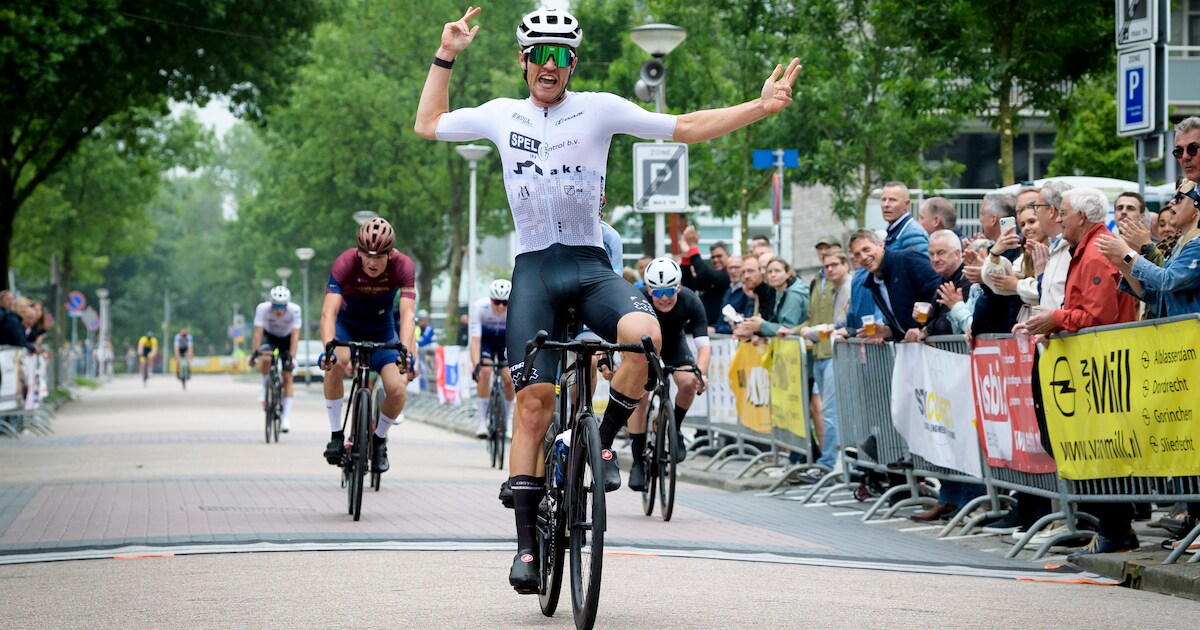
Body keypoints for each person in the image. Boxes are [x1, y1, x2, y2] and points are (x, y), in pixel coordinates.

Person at [414, 6, 801, 592]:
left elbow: (687, 126)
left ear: (573, 63)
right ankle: (525, 548)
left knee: (644, 338)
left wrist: (760, 106)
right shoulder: (501, 115)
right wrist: (446, 55)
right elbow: (428, 123)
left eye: (561, 55)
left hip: (593, 268)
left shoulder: (599, 108)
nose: (550, 65)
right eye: (539, 55)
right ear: (523, 62)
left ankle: (602, 441)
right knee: (533, 404)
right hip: (535, 272)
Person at [1015, 188, 1139, 558]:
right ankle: (1112, 529)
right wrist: (1056, 320)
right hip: (1087, 363)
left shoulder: (1098, 251)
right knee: (1080, 445)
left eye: (1064, 212)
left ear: (1081, 217)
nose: (1060, 218)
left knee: (1096, 447)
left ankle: (1116, 529)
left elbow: (1098, 316)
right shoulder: (1083, 250)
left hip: (1099, 365)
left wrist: (1055, 319)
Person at [318, 218, 417, 477]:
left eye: (380, 256)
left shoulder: (403, 266)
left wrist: (405, 352)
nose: (372, 262)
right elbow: (329, 312)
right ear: (358, 251)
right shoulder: (345, 263)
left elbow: (407, 316)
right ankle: (337, 435)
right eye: (367, 255)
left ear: (391, 253)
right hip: (347, 327)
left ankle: (380, 440)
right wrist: (329, 347)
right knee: (336, 363)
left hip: (382, 328)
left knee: (397, 388)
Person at [625, 258, 710, 490]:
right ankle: (636, 461)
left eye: (670, 291)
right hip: (644, 346)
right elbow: (621, 336)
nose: (664, 298)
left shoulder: (691, 300)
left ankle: (676, 428)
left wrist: (700, 373)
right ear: (648, 289)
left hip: (674, 343)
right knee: (639, 399)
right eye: (658, 292)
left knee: (687, 382)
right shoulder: (636, 297)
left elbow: (704, 346)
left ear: (679, 287)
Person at [792, 251, 851, 480]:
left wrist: (814, 332)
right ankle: (836, 463)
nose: (830, 269)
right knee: (832, 412)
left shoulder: (848, 286)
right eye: (826, 266)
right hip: (822, 352)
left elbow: (840, 325)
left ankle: (828, 464)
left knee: (830, 412)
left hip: (835, 353)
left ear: (845, 265)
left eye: (834, 264)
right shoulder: (823, 284)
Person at [849, 229, 942, 339]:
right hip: (915, 349)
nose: (863, 257)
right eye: (857, 255)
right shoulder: (874, 283)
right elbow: (904, 323)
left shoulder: (907, 259)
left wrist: (925, 329)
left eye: (866, 249)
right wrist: (888, 331)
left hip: (939, 344)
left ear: (880, 245)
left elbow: (941, 288)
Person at [250, 286, 301, 433]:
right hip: (270, 336)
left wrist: (292, 358)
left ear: (287, 305)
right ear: (271, 304)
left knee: (287, 376)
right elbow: (258, 333)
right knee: (266, 358)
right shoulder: (262, 309)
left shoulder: (295, 310)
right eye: (276, 306)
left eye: (282, 307)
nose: (279, 310)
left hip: (286, 339)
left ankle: (285, 418)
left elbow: (296, 335)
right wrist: (255, 354)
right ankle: (265, 386)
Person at [471, 279, 515, 439]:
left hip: (505, 341)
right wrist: (476, 365)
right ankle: (482, 421)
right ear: (490, 300)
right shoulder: (479, 307)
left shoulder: (515, 309)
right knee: (485, 371)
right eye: (497, 302)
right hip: (486, 342)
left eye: (505, 302)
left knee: (510, 379)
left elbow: (517, 339)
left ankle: (508, 421)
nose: (501, 307)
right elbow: (475, 341)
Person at [736, 257, 809, 340]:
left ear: (788, 273)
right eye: (769, 272)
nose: (773, 275)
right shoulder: (779, 291)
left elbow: (788, 328)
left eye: (777, 271)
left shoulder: (793, 294)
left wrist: (761, 325)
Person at [679, 225, 731, 327]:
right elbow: (689, 284)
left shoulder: (728, 276)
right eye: (713, 257)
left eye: (719, 256)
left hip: (719, 331)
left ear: (728, 255)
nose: (715, 260)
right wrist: (685, 256)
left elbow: (703, 272)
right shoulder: (711, 277)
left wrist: (693, 247)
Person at [880, 181, 928, 254]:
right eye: (883, 200)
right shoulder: (893, 231)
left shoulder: (913, 235)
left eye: (892, 200)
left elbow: (919, 264)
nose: (886, 205)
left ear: (906, 204)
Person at [713, 255, 748, 334]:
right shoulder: (728, 291)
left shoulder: (748, 292)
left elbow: (745, 321)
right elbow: (722, 319)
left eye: (736, 267)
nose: (733, 271)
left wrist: (716, 330)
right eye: (730, 268)